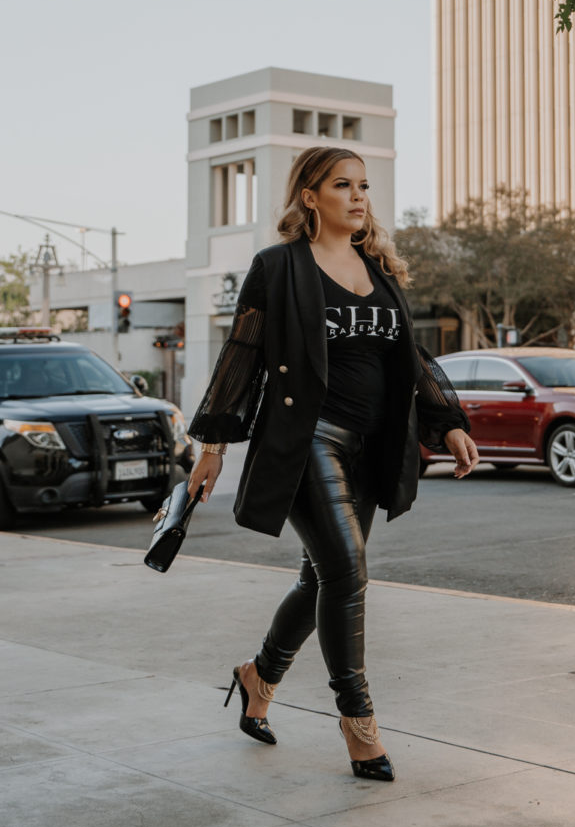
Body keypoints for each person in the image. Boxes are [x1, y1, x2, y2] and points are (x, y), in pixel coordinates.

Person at [187, 145, 478, 782]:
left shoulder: (380, 269)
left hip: (373, 445)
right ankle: (359, 722)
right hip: (308, 439)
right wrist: (212, 447)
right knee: (347, 572)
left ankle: (259, 676)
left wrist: (449, 420)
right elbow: (242, 353)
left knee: (320, 578)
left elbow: (410, 357)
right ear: (310, 196)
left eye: (363, 186)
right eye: (342, 185)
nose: (358, 197)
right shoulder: (278, 267)